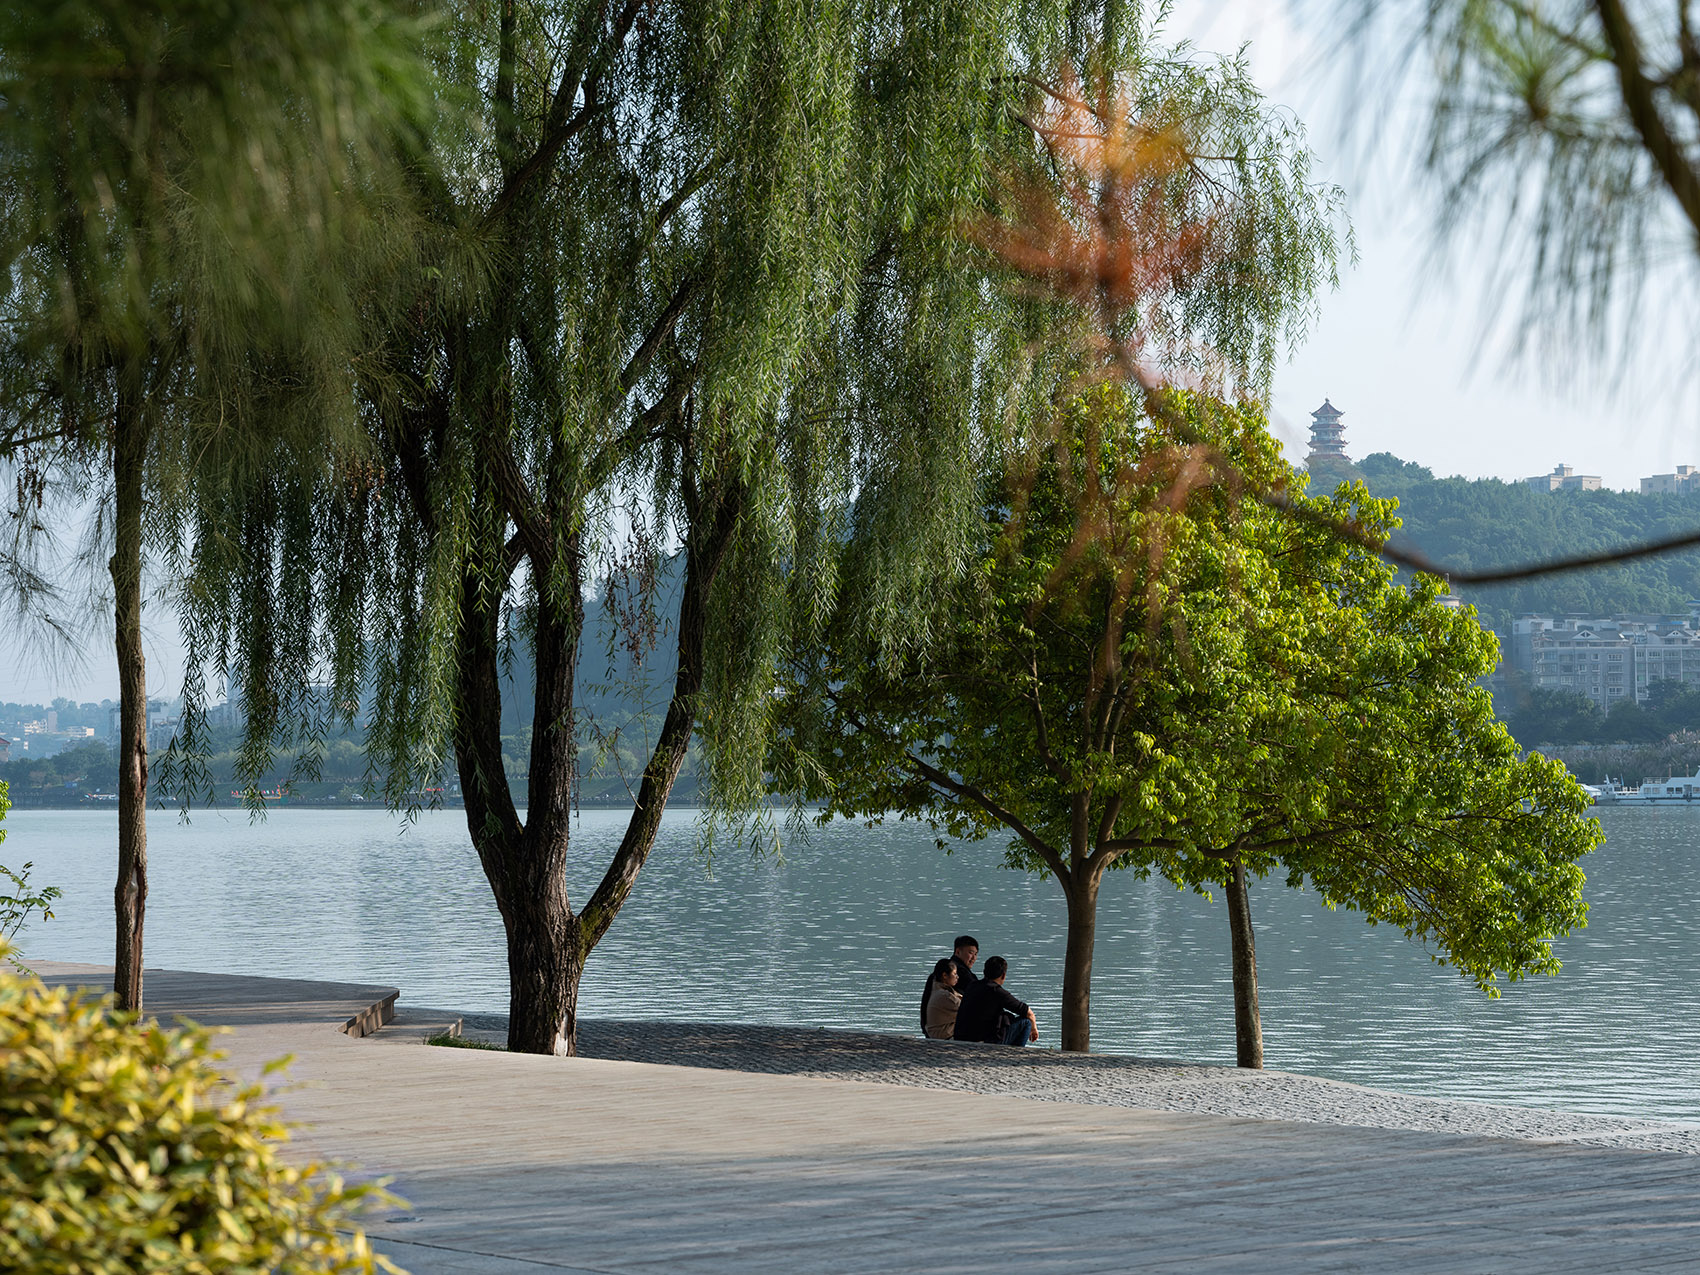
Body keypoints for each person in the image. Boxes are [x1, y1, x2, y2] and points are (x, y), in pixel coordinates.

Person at [953, 955, 1038, 1047]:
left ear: (984, 972)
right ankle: (1016, 1052)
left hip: (961, 1038)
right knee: (1026, 1022)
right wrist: (1034, 1028)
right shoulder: (996, 991)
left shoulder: (972, 986)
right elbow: (1028, 1013)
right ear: (1003, 975)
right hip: (983, 1043)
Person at [919, 935, 979, 1033]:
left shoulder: (936, 974)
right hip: (946, 1032)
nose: (974, 958)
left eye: (976, 954)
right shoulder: (962, 974)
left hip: (931, 1028)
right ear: (958, 951)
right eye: (971, 953)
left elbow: (925, 1003)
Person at [923, 958, 963, 1039]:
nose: (957, 977)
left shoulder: (936, 990)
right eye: (954, 974)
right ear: (945, 975)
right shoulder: (945, 996)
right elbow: (967, 1009)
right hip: (944, 1036)